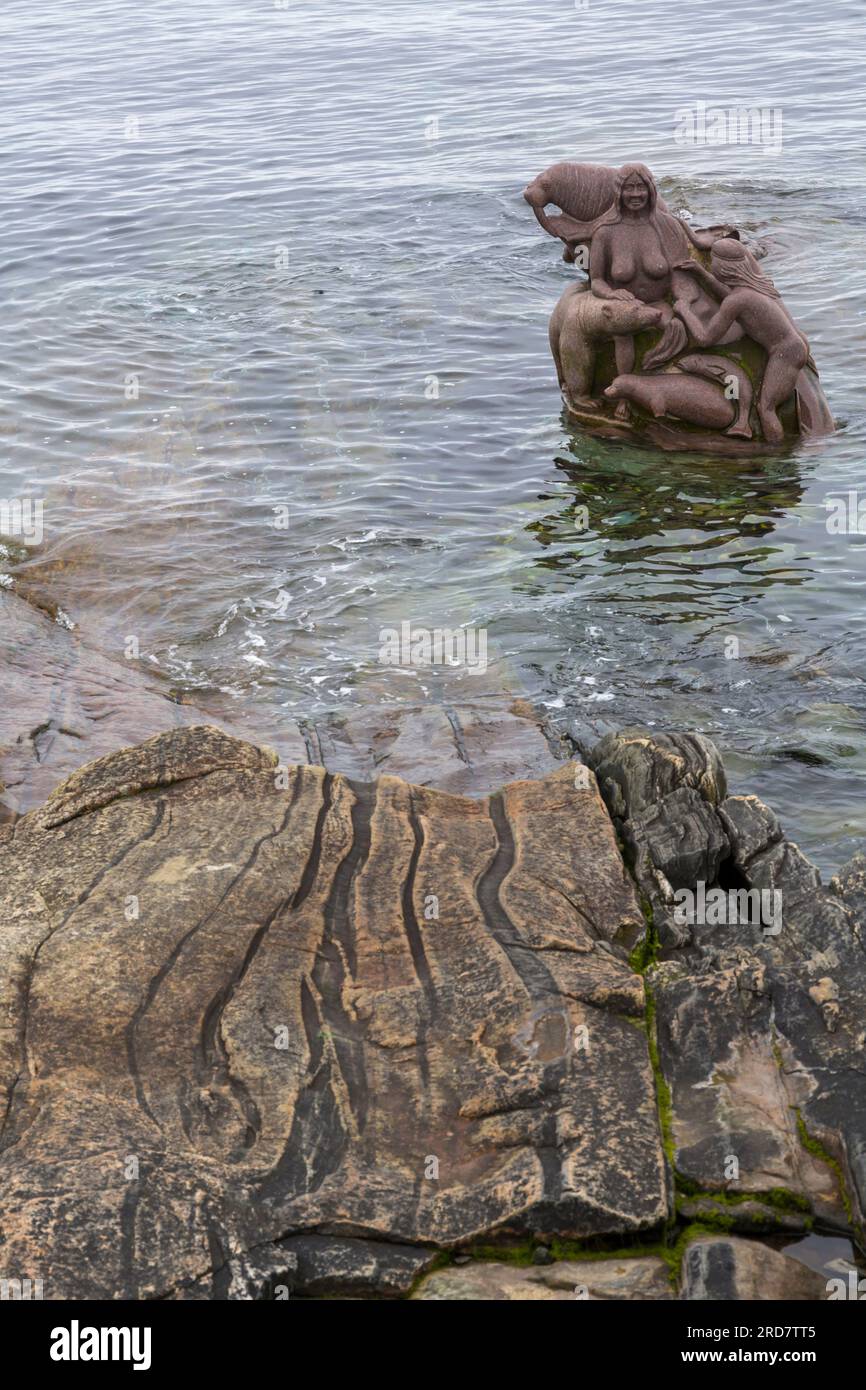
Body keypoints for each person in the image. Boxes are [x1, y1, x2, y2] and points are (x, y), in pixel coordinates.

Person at [673, 239, 811, 444]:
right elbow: (729, 296)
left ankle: (777, 462)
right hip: (794, 345)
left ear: (723, 268)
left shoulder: (737, 300)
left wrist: (684, 310)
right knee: (767, 406)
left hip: (787, 353)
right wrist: (701, 273)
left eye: (712, 262)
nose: (711, 264)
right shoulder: (750, 288)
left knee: (766, 408)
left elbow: (704, 339)